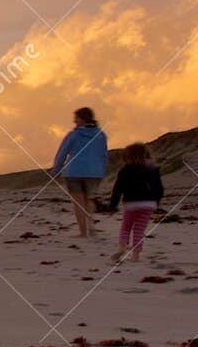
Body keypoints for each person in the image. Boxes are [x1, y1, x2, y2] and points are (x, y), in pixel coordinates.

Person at [51, 106, 109, 237]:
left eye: (76, 118)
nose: (74, 121)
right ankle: (91, 226)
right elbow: (104, 154)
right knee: (90, 200)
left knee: (78, 202)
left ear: (83, 119)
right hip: (94, 172)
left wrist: (56, 170)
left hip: (74, 172)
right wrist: (103, 169)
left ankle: (83, 232)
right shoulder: (101, 134)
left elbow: (62, 153)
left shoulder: (73, 135)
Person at [105, 142, 163, 263]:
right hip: (148, 204)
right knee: (139, 230)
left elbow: (117, 189)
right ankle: (135, 255)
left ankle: (122, 248)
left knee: (126, 227)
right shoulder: (153, 169)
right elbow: (159, 188)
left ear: (127, 156)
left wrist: (112, 207)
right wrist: (156, 202)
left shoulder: (125, 170)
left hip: (131, 204)